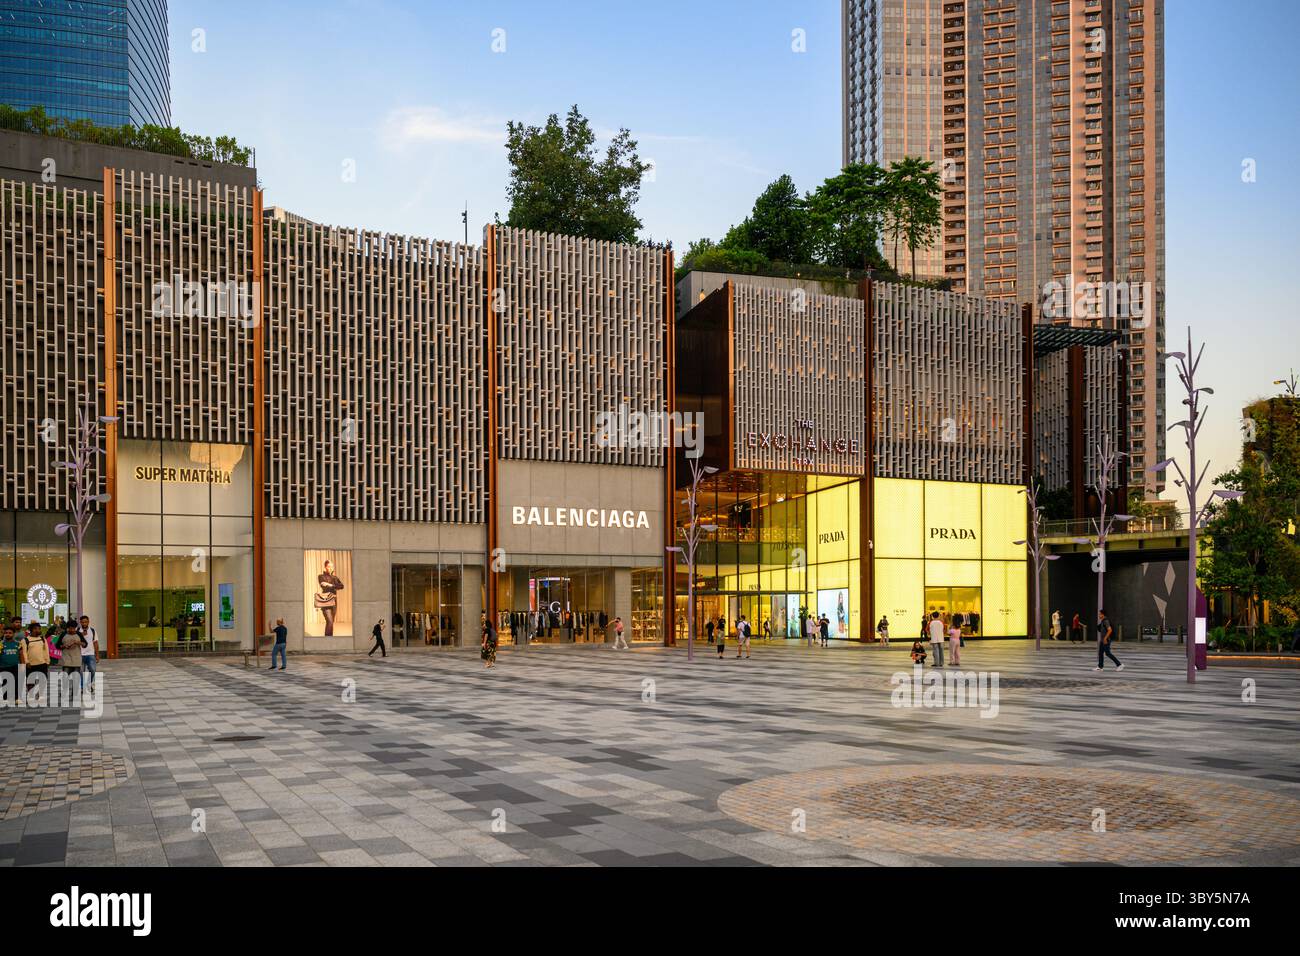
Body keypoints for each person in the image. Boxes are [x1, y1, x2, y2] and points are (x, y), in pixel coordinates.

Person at [19, 622, 50, 702]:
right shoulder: (25, 640)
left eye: (39, 628)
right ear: (30, 630)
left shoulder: (43, 639)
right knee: (30, 680)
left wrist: (47, 661)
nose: (38, 630)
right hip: (30, 664)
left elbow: (46, 650)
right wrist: (26, 662)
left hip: (42, 663)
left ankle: (41, 695)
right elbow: (24, 652)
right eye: (35, 629)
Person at [315, 558, 345, 637]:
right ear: (325, 567)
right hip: (325, 601)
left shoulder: (335, 577)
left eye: (332, 566)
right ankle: (328, 638)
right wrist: (334, 586)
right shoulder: (321, 576)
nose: (331, 568)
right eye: (329, 566)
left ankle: (328, 638)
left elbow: (342, 586)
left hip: (334, 601)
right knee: (330, 621)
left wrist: (331, 585)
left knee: (331, 622)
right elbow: (323, 585)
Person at [58, 622, 84, 695]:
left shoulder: (79, 634)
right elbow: (57, 645)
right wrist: (64, 646)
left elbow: (85, 644)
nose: (72, 630)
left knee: (76, 678)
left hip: (76, 659)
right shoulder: (63, 634)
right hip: (66, 659)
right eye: (70, 628)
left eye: (73, 628)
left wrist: (79, 643)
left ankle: (74, 692)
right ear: (67, 628)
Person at [78, 615, 99, 693]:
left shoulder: (93, 631)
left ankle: (89, 684)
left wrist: (97, 655)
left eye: (85, 622)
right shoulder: (77, 631)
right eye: (82, 622)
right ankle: (83, 687)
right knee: (80, 672)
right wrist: (81, 636)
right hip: (80, 654)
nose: (84, 623)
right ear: (80, 622)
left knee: (93, 670)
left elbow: (96, 643)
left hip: (90, 654)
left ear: (88, 622)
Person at [1, 626, 21, 702]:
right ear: (4, 634)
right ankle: (5, 698)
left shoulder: (17, 644)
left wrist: (22, 665)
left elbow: (21, 655)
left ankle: (16, 698)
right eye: (6, 633)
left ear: (13, 634)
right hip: (3, 666)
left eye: (10, 633)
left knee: (16, 681)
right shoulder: (1, 644)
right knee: (5, 682)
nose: (8, 634)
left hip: (15, 666)